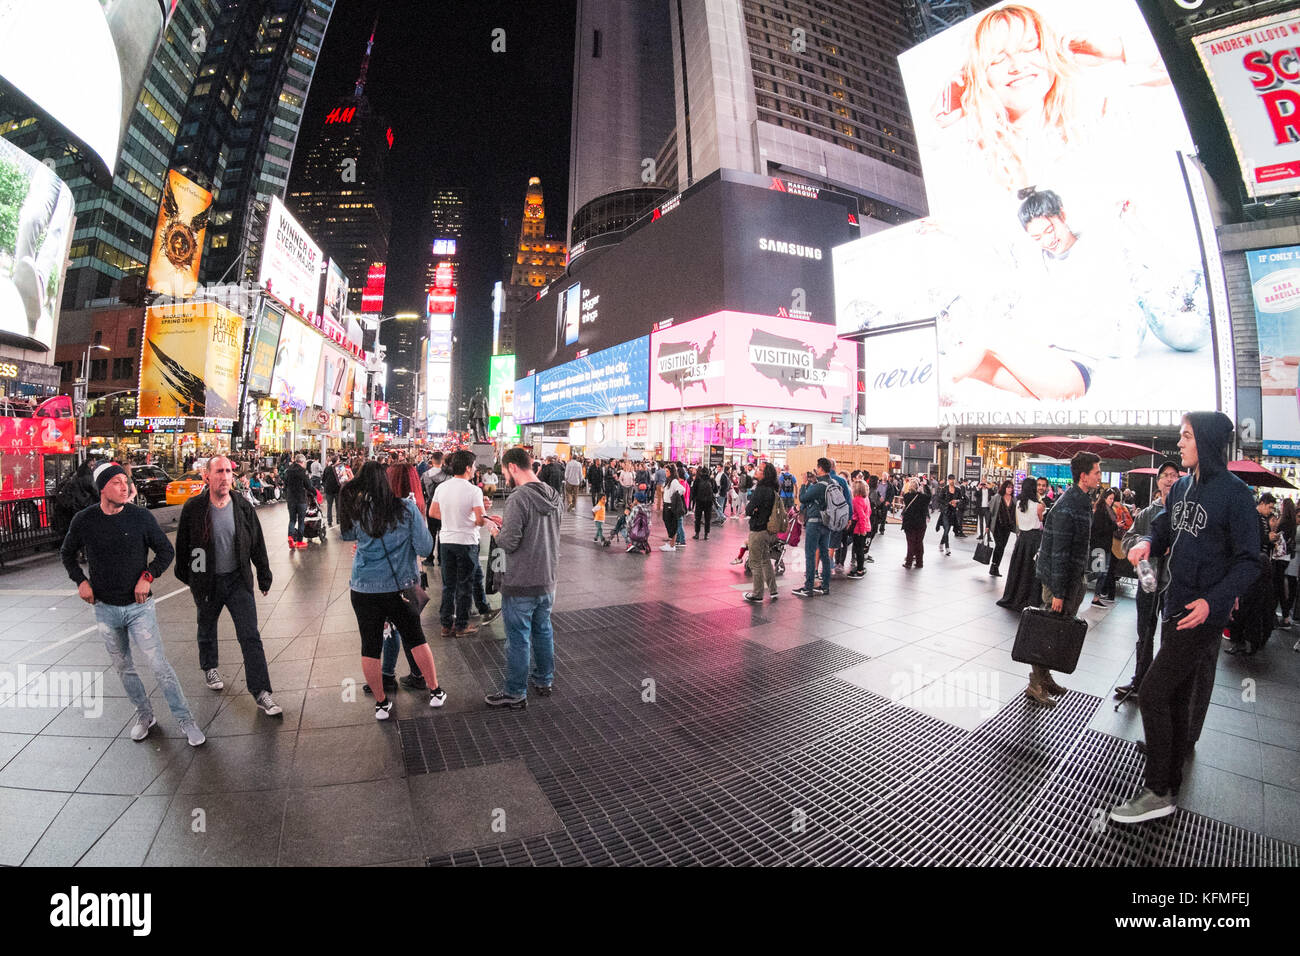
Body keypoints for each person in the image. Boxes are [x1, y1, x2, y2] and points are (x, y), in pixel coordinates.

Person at [1114, 413, 1259, 824]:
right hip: (1172, 605)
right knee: (1176, 697)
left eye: (1187, 436)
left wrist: (1214, 602)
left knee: (1152, 693)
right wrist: (1146, 542)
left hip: (1201, 618)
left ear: (1207, 442)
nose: (1179, 444)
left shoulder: (1235, 495)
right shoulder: (1179, 487)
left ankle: (1157, 790)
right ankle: (1171, 780)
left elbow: (1250, 561)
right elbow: (1162, 530)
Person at [61, 461, 205, 746]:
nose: (124, 487)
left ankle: (185, 719)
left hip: (140, 608)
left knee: (159, 665)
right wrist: (81, 581)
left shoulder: (140, 517)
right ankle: (144, 715)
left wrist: (148, 576)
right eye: (116, 482)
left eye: (125, 482)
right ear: (102, 489)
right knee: (123, 667)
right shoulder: (85, 520)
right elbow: (66, 553)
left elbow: (165, 551)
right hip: (105, 608)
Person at [174, 456, 280, 716]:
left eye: (228, 472)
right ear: (207, 476)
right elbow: (185, 548)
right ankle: (209, 666)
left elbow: (257, 542)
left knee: (250, 635)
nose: (224, 477)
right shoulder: (194, 508)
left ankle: (261, 691)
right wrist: (193, 580)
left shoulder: (242, 506)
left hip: (237, 580)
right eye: (219, 471)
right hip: (207, 582)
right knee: (206, 626)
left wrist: (264, 574)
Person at [339, 462, 446, 718]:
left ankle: (381, 703)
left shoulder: (359, 510)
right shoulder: (407, 508)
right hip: (400, 587)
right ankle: (435, 691)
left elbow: (347, 535)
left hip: (364, 588)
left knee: (370, 646)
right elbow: (424, 548)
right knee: (416, 638)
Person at [485, 447, 562, 709]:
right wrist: (507, 524)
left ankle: (515, 692)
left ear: (513, 467)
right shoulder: (553, 494)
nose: (505, 477)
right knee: (543, 630)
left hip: (520, 581)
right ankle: (544, 680)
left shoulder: (518, 497)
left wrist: (496, 531)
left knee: (518, 638)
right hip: (547, 578)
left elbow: (509, 542)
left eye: (505, 472)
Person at [1032, 452, 1101, 707]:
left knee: (1058, 631)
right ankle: (1036, 683)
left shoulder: (1081, 501)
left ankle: (1044, 676)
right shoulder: (1067, 506)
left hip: (1072, 578)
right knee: (1049, 631)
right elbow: (1059, 553)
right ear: (1083, 476)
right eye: (1096, 472)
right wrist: (1059, 593)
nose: (1099, 477)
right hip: (1058, 581)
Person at [1114, 459, 1180, 701]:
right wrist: (1148, 543)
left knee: (1170, 638)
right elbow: (1126, 541)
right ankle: (1140, 679)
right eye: (1165, 475)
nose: (1170, 479)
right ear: (1158, 482)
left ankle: (1163, 687)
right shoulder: (1148, 513)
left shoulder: (1184, 513)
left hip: (1174, 584)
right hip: (1148, 580)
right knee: (1145, 632)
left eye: (1174, 475)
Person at [430, 450, 488, 638]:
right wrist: (476, 515)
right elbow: (480, 520)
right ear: (468, 468)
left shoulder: (442, 488)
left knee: (448, 585)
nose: (475, 470)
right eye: (474, 466)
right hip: (466, 542)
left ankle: (446, 624)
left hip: (446, 541)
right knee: (465, 584)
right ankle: (462, 625)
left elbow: (433, 512)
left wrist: (451, 517)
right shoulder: (474, 490)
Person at [1225, 493, 1276, 656]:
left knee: (1252, 605)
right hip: (1250, 566)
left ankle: (1246, 640)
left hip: (1258, 566)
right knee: (1246, 604)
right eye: (1270, 507)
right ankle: (1244, 640)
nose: (1270, 511)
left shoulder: (1262, 520)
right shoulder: (1252, 518)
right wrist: (1267, 538)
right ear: (1262, 503)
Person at [997, 476, 1044, 608]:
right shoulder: (1038, 506)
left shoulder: (1018, 503)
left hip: (1022, 539)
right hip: (1034, 539)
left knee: (1018, 567)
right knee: (1031, 569)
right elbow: (1041, 522)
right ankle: (1029, 597)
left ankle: (1014, 595)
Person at [793, 460, 834, 598]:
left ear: (820, 469)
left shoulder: (819, 486)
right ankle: (825, 586)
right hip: (827, 523)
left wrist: (804, 484)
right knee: (825, 554)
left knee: (810, 554)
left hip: (814, 523)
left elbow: (803, 498)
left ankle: (808, 587)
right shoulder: (833, 483)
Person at [742, 463, 780, 604]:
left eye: (760, 469)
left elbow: (749, 509)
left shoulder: (761, 489)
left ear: (765, 474)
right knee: (765, 560)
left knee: (755, 562)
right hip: (768, 530)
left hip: (758, 529)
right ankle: (773, 590)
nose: (756, 471)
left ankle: (757, 594)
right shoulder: (772, 489)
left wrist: (753, 509)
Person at [1090, 488, 1120, 608]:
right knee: (1099, 572)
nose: (1112, 501)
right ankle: (1095, 596)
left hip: (1106, 546)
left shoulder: (1108, 511)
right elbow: (1099, 529)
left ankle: (1097, 596)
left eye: (1113, 499)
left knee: (1103, 572)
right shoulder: (1101, 512)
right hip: (1099, 545)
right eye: (1110, 498)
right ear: (1104, 498)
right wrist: (1115, 526)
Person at [900, 478, 931, 569]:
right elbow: (929, 496)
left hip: (909, 523)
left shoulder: (906, 496)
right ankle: (919, 562)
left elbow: (906, 502)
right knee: (919, 542)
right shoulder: (923, 497)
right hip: (921, 523)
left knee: (910, 543)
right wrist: (925, 486)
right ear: (918, 487)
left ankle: (909, 562)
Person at [283, 453, 312, 550]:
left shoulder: (288, 470)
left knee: (292, 520)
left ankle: (290, 537)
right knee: (301, 521)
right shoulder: (303, 471)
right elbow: (308, 485)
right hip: (300, 499)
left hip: (291, 499)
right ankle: (299, 541)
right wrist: (315, 492)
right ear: (302, 462)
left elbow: (285, 485)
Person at [988, 479, 1015, 577]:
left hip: (1007, 527)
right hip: (997, 526)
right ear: (1004, 488)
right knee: (999, 545)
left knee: (1002, 546)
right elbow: (990, 511)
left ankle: (996, 567)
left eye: (1011, 488)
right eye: (1008, 487)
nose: (1010, 489)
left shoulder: (1014, 499)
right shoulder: (997, 497)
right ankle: (994, 566)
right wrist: (987, 526)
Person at [848, 478, 871, 579]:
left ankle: (860, 570)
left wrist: (862, 530)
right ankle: (860, 568)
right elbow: (868, 513)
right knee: (860, 549)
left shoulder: (856, 500)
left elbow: (861, 517)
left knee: (858, 550)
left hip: (859, 528)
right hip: (866, 526)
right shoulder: (866, 498)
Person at [660, 469, 686, 552]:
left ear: (671, 472)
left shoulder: (674, 481)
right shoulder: (668, 481)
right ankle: (671, 543)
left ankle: (672, 545)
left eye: (667, 471)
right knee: (667, 523)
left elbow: (682, 489)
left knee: (672, 525)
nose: (666, 472)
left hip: (670, 505)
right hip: (666, 504)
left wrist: (675, 496)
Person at [938, 475, 963, 555]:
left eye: (953, 479)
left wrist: (956, 502)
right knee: (947, 528)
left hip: (953, 512)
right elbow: (939, 499)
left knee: (947, 530)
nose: (952, 481)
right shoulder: (944, 489)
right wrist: (948, 503)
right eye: (950, 479)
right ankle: (947, 548)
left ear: (955, 480)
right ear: (948, 480)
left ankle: (941, 543)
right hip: (945, 512)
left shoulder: (958, 490)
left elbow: (961, 500)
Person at [691, 465, 715, 540]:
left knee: (698, 518)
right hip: (708, 502)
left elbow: (693, 491)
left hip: (699, 501)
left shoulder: (697, 480)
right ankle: (706, 535)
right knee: (707, 519)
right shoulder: (711, 480)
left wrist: (695, 499)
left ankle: (697, 534)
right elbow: (715, 490)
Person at [322, 454, 342, 527]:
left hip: (329, 490)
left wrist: (325, 486)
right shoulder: (339, 468)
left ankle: (329, 521)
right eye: (338, 460)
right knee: (338, 505)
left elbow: (323, 479)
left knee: (329, 506)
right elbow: (342, 479)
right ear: (336, 461)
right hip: (337, 490)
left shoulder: (327, 468)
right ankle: (338, 520)